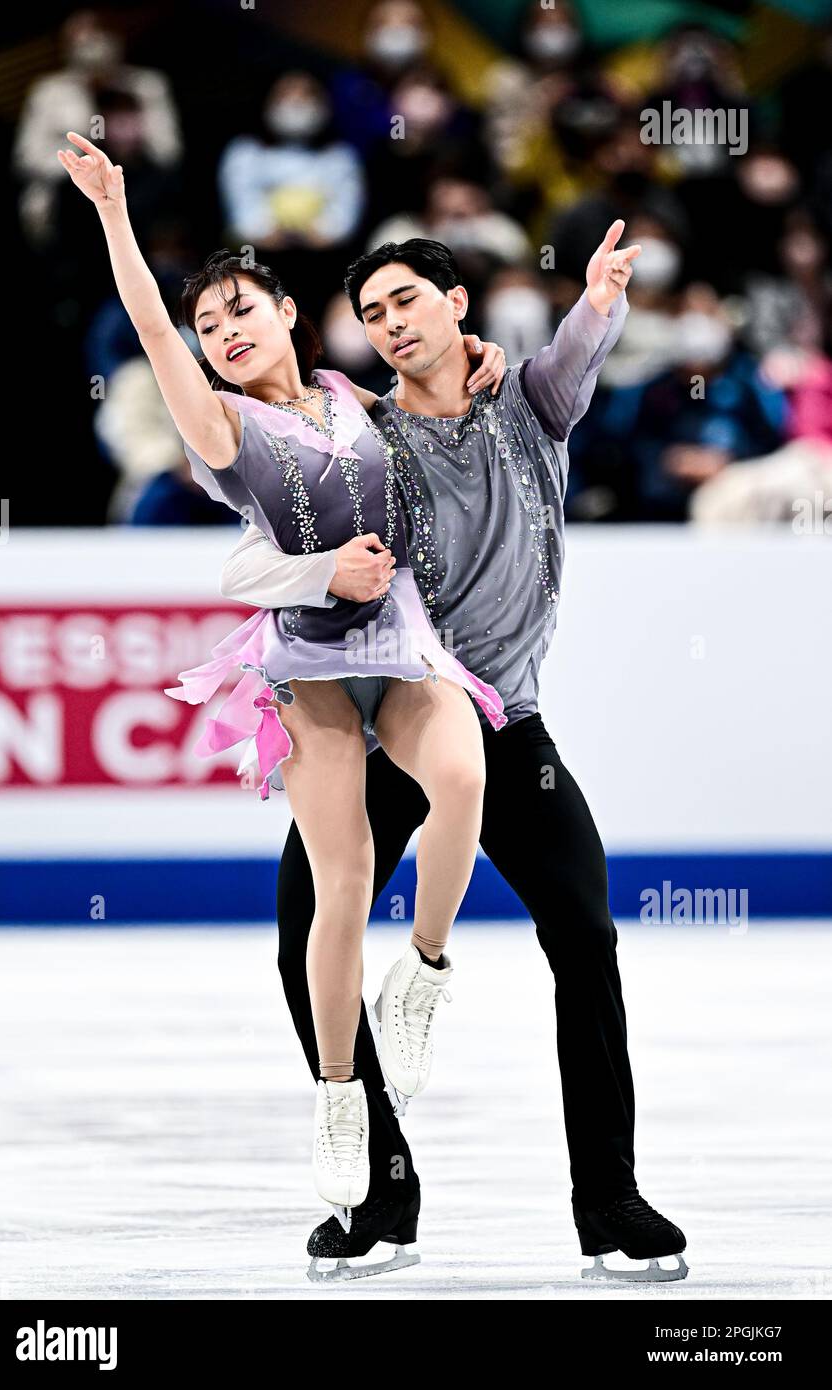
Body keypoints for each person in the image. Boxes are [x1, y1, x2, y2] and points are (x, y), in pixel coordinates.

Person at [218, 233, 691, 1284]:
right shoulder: (363, 439)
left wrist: (600, 299)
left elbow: (575, 351)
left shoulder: (528, 405)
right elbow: (283, 471)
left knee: (584, 935)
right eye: (373, 311)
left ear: (455, 304)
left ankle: (608, 1202)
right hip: (399, 721)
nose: (391, 322)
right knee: (305, 937)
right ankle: (382, 1193)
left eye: (407, 300)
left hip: (509, 729)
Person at [57, 131, 507, 1232]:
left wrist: (475, 355)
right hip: (305, 658)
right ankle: (337, 1093)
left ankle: (430, 971)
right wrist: (115, 215)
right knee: (341, 875)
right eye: (210, 326)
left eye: (240, 311)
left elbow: (438, 375)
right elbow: (157, 339)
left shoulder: (351, 395)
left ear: (288, 313)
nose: (222, 332)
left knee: (461, 774)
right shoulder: (222, 425)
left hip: (397, 639)